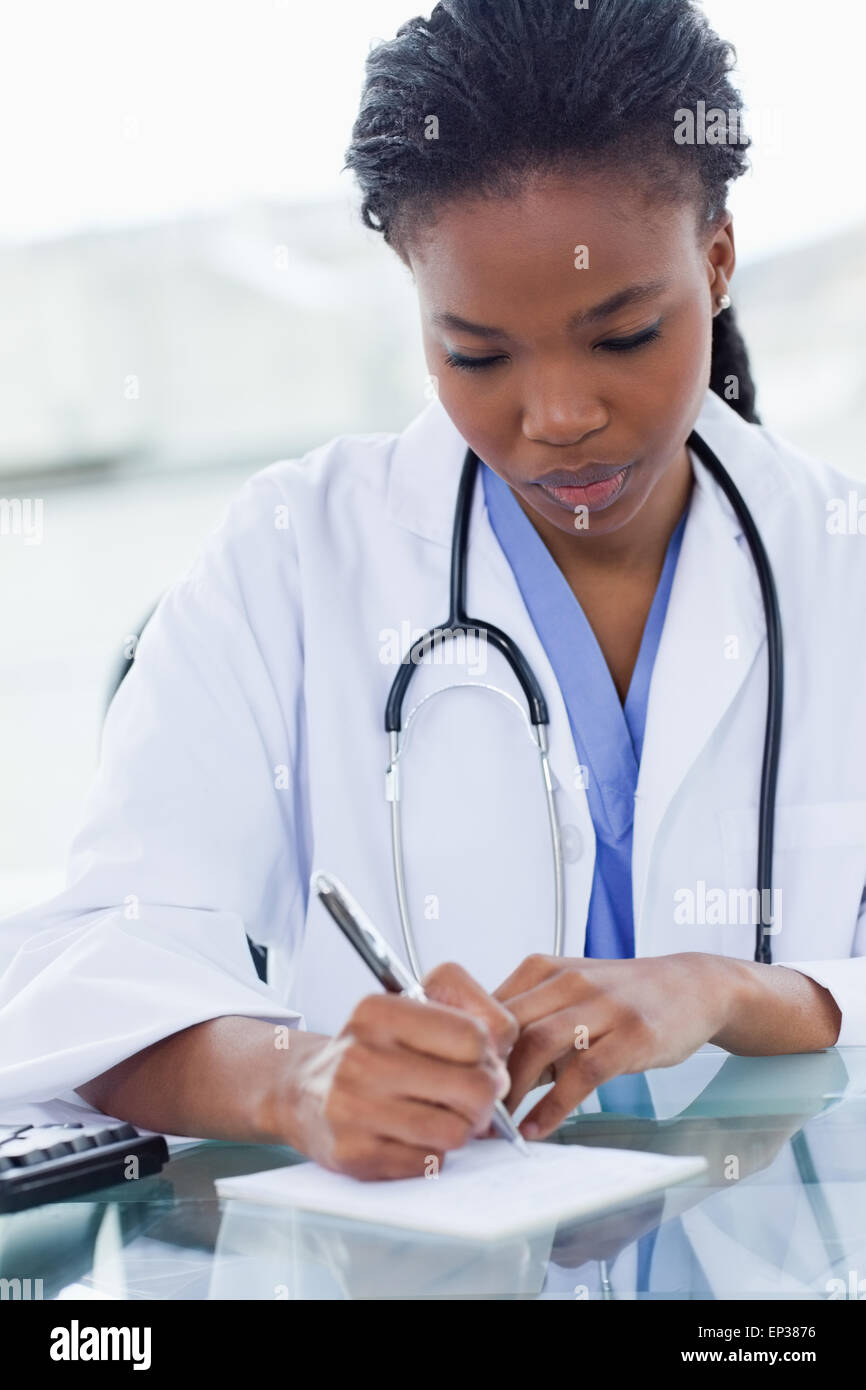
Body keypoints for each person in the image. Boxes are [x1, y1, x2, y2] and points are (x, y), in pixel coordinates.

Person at [1, 0, 864, 1182]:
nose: (557, 417)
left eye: (620, 336)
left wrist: (737, 991)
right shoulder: (293, 557)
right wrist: (296, 1079)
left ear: (714, 262)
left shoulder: (840, 560)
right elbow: (87, 965)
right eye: (476, 354)